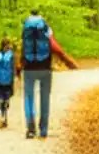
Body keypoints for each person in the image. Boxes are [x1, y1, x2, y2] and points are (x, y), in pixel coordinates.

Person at [19, 10, 78, 139]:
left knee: (29, 97)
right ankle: (43, 129)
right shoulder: (45, 29)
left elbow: (22, 49)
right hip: (45, 68)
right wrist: (68, 62)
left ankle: (30, 127)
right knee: (44, 99)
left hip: (29, 68)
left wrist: (19, 67)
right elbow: (55, 48)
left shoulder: (26, 30)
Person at [0, 37, 16, 128]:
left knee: (3, 100)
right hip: (3, 80)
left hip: (2, 80)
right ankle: (3, 117)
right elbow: (12, 68)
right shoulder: (9, 55)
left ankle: (3, 117)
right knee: (3, 99)